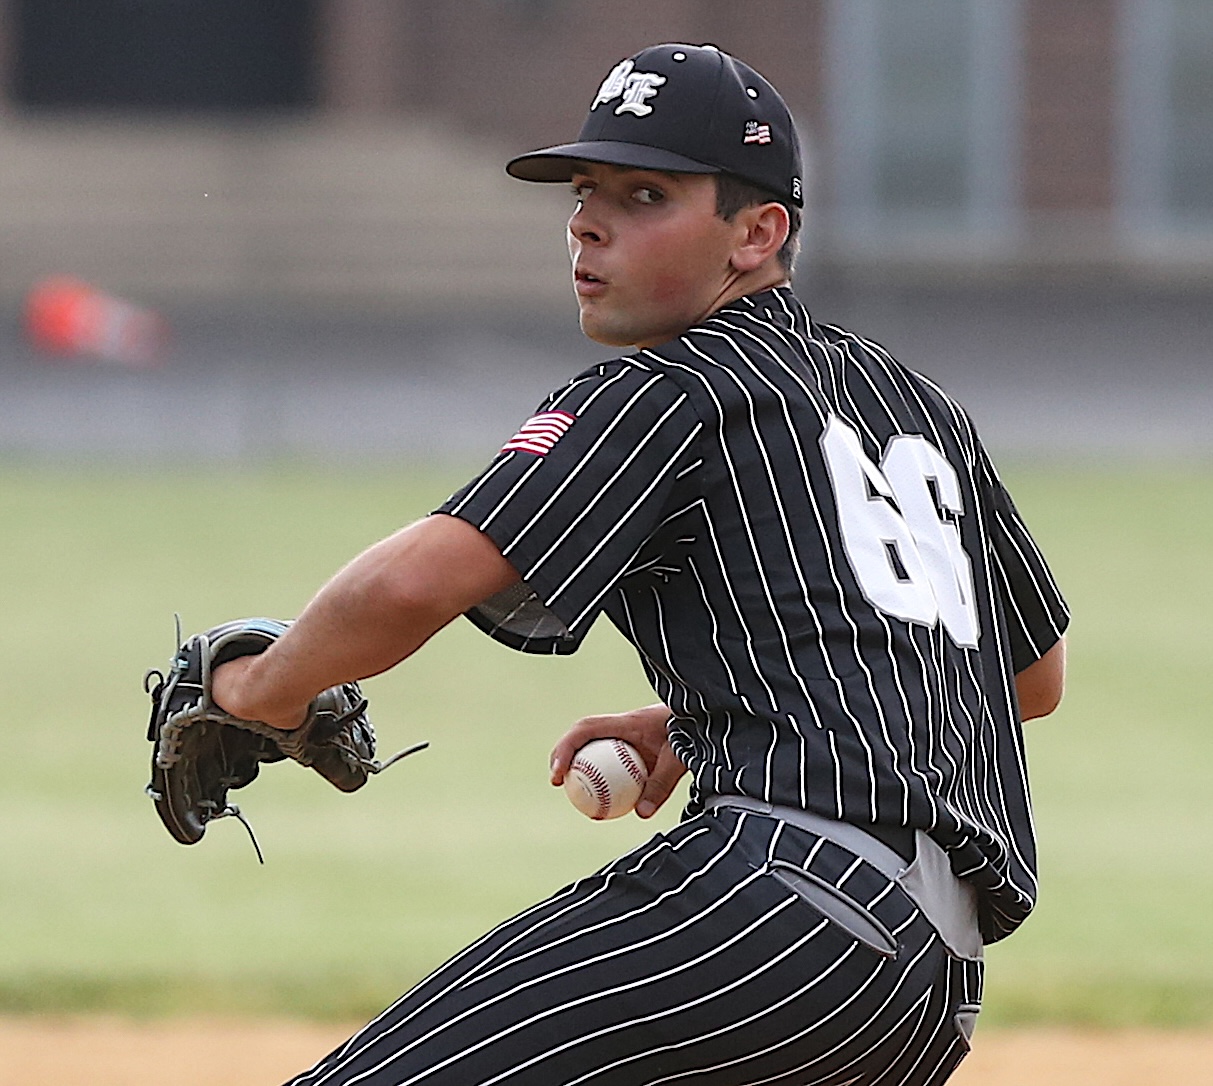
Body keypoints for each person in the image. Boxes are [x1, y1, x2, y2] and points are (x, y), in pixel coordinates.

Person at [214, 43, 1068, 1086]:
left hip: (774, 916)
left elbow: (412, 583)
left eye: (645, 193)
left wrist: (258, 688)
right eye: (585, 192)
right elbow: (1025, 678)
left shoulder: (669, 389)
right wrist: (713, 718)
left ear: (757, 233)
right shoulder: (918, 404)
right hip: (924, 993)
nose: (588, 221)